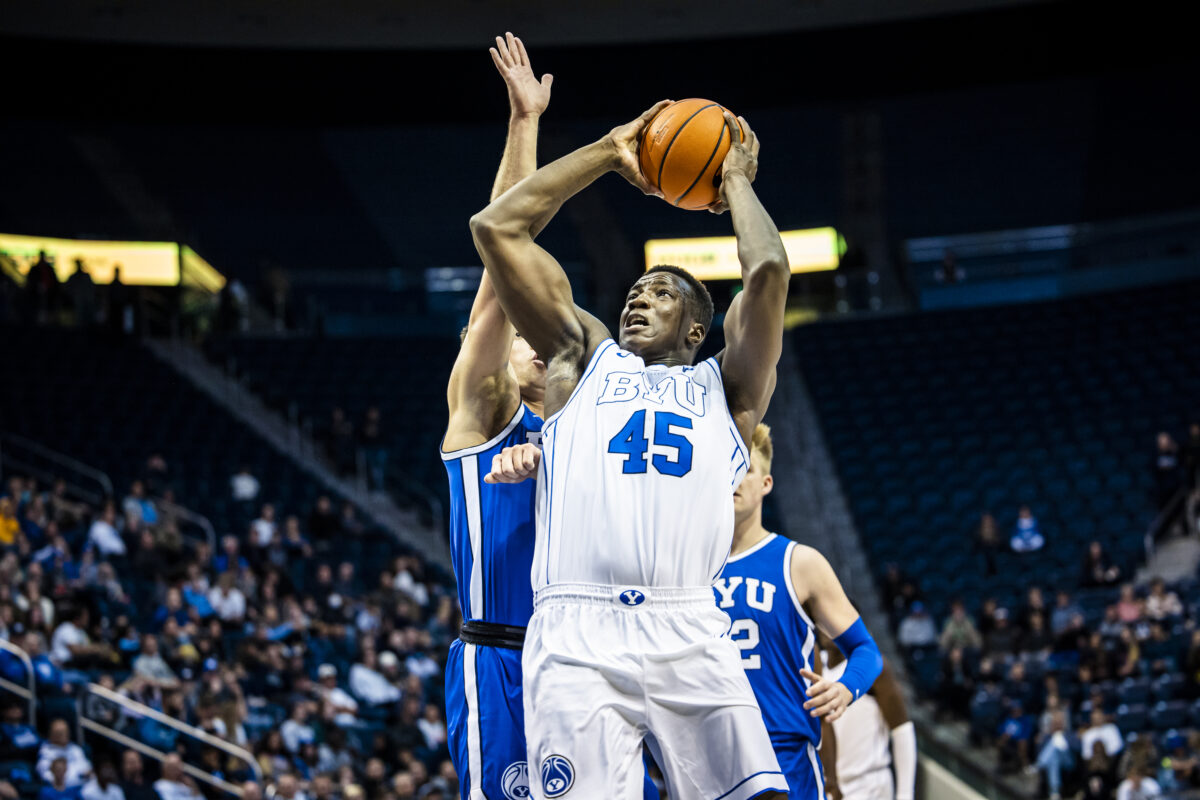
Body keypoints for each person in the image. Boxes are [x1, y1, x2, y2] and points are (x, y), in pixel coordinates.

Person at [472, 79, 791, 793]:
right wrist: (609, 154)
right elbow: (496, 229)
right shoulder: (581, 359)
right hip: (576, 634)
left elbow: (767, 270)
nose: (640, 299)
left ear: (699, 329)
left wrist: (733, 178)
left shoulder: (728, 389)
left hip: (688, 627)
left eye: (663, 294)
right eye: (635, 293)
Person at [439, 32, 552, 800]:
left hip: (584, 657)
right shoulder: (486, 418)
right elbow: (501, 254)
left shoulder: (589, 432)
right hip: (501, 660)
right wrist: (524, 126)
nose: (533, 341)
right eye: (517, 335)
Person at [706, 425, 884, 797]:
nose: (733, 479)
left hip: (784, 757)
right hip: (708, 757)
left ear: (766, 484)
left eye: (746, 469)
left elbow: (866, 651)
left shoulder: (799, 562)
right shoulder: (687, 567)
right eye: (726, 468)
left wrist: (845, 688)